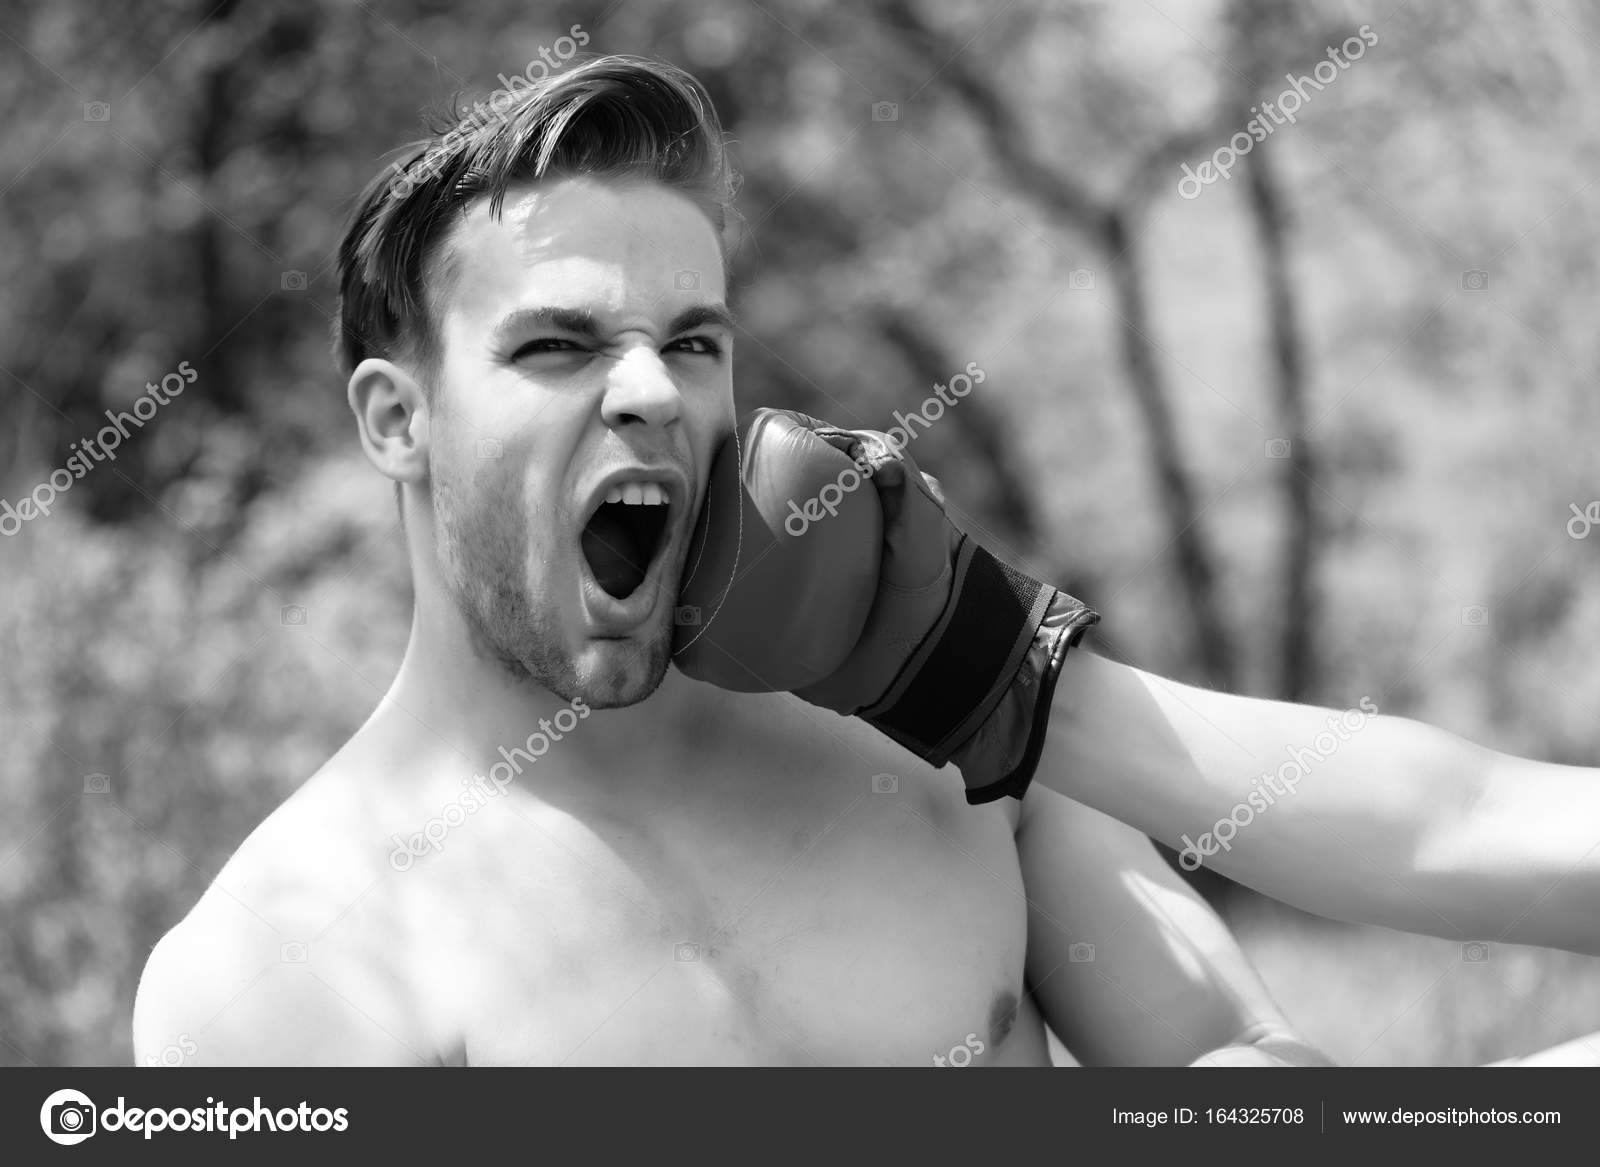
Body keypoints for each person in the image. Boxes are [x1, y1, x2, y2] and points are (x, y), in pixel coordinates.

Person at [132, 55, 1331, 1067]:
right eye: (558, 345)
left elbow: (1234, 1060)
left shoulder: (943, 737)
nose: (653, 390)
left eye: (692, 342)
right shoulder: (281, 966)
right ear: (399, 421)